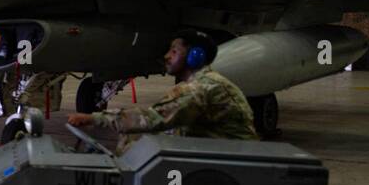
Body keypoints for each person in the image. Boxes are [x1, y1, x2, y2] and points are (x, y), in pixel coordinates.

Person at [67, 29, 257, 152]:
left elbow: (151, 119)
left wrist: (94, 118)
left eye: (174, 51)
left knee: (137, 138)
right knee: (137, 138)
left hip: (226, 166)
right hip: (219, 154)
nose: (166, 56)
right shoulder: (203, 83)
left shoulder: (201, 88)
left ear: (194, 56)